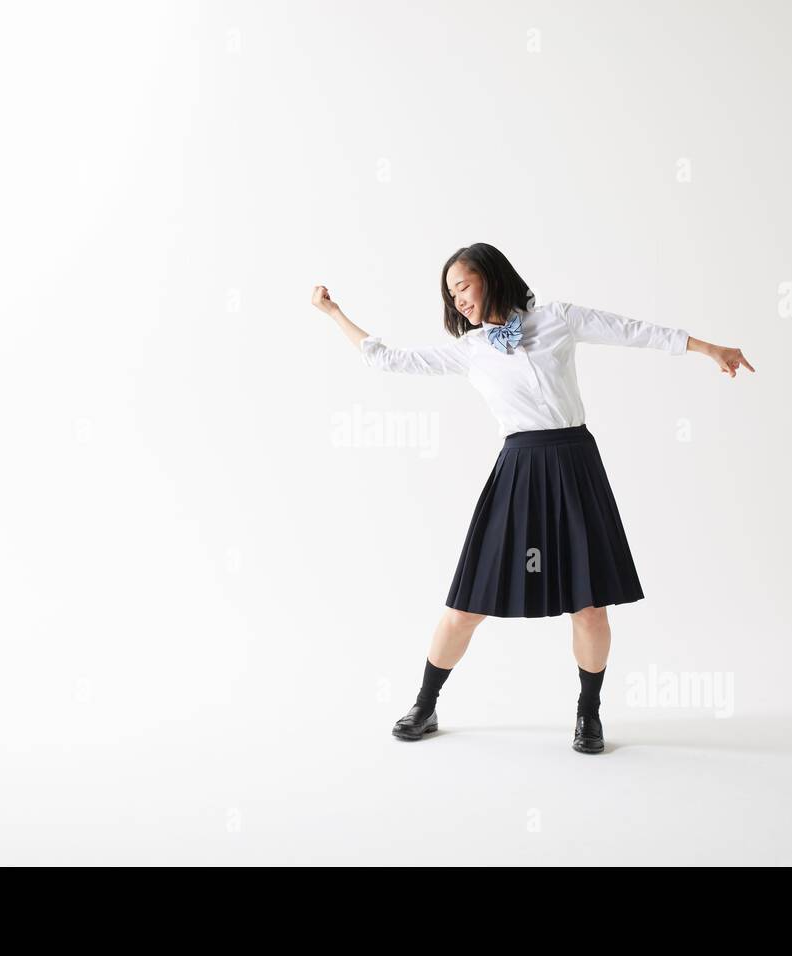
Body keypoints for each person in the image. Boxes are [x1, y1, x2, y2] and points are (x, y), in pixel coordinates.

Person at [310, 243, 754, 753]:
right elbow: (387, 359)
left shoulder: (558, 319)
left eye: (463, 286)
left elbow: (633, 331)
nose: (457, 300)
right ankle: (425, 704)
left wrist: (709, 349)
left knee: (589, 605)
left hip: (575, 464)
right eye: (450, 293)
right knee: (467, 602)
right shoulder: (470, 350)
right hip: (519, 470)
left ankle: (589, 715)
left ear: (492, 278)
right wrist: (334, 313)